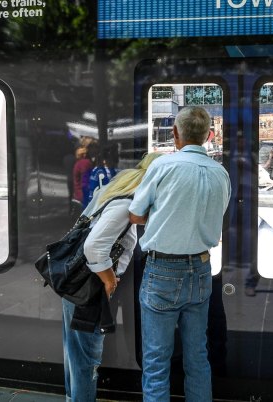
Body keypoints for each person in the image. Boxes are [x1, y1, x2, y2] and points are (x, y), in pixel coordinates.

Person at [129, 106, 230, 402]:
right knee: (198, 356)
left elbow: (135, 215)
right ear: (208, 136)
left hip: (162, 271)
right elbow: (215, 215)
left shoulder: (162, 167)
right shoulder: (220, 173)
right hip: (201, 270)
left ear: (175, 134)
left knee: (157, 361)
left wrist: (163, 217)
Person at [62, 152, 162, 402]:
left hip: (77, 282)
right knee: (87, 359)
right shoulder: (127, 201)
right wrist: (109, 279)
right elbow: (94, 247)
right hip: (90, 286)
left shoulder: (117, 187)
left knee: (74, 354)